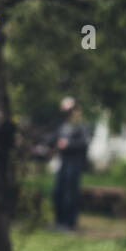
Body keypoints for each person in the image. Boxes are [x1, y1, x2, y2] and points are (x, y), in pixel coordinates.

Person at [52, 97, 90, 230]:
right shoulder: (63, 125)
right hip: (63, 161)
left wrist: (68, 145)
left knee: (70, 193)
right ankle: (59, 221)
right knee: (58, 191)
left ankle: (69, 223)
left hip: (74, 162)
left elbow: (84, 143)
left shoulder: (81, 125)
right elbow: (53, 137)